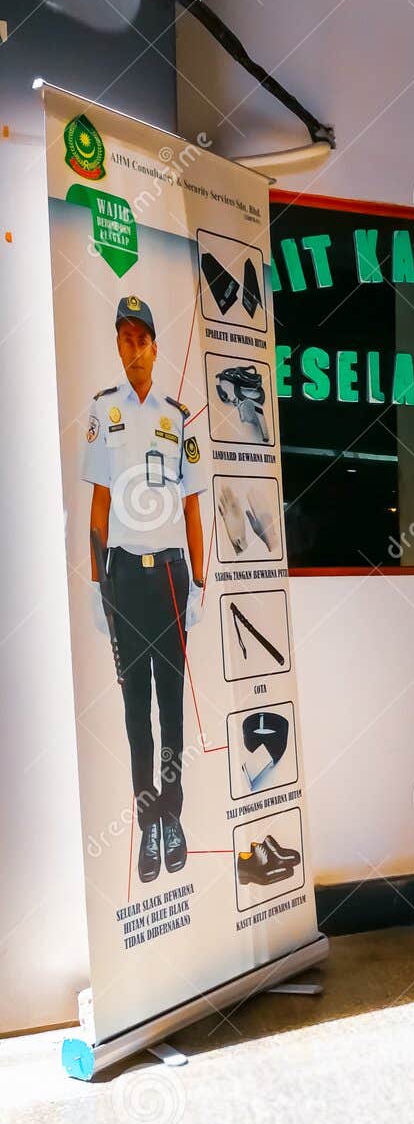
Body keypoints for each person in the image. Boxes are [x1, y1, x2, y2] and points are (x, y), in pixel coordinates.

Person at [84, 296, 207, 885]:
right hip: (125, 578)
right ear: (118, 345)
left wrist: (202, 584)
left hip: (169, 579)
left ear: (156, 345)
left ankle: (174, 814)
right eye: (124, 338)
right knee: (135, 710)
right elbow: (100, 502)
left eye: (143, 338)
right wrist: (94, 585)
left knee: (172, 707)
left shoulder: (178, 417)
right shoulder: (102, 412)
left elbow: (190, 506)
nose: (134, 347)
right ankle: (146, 818)